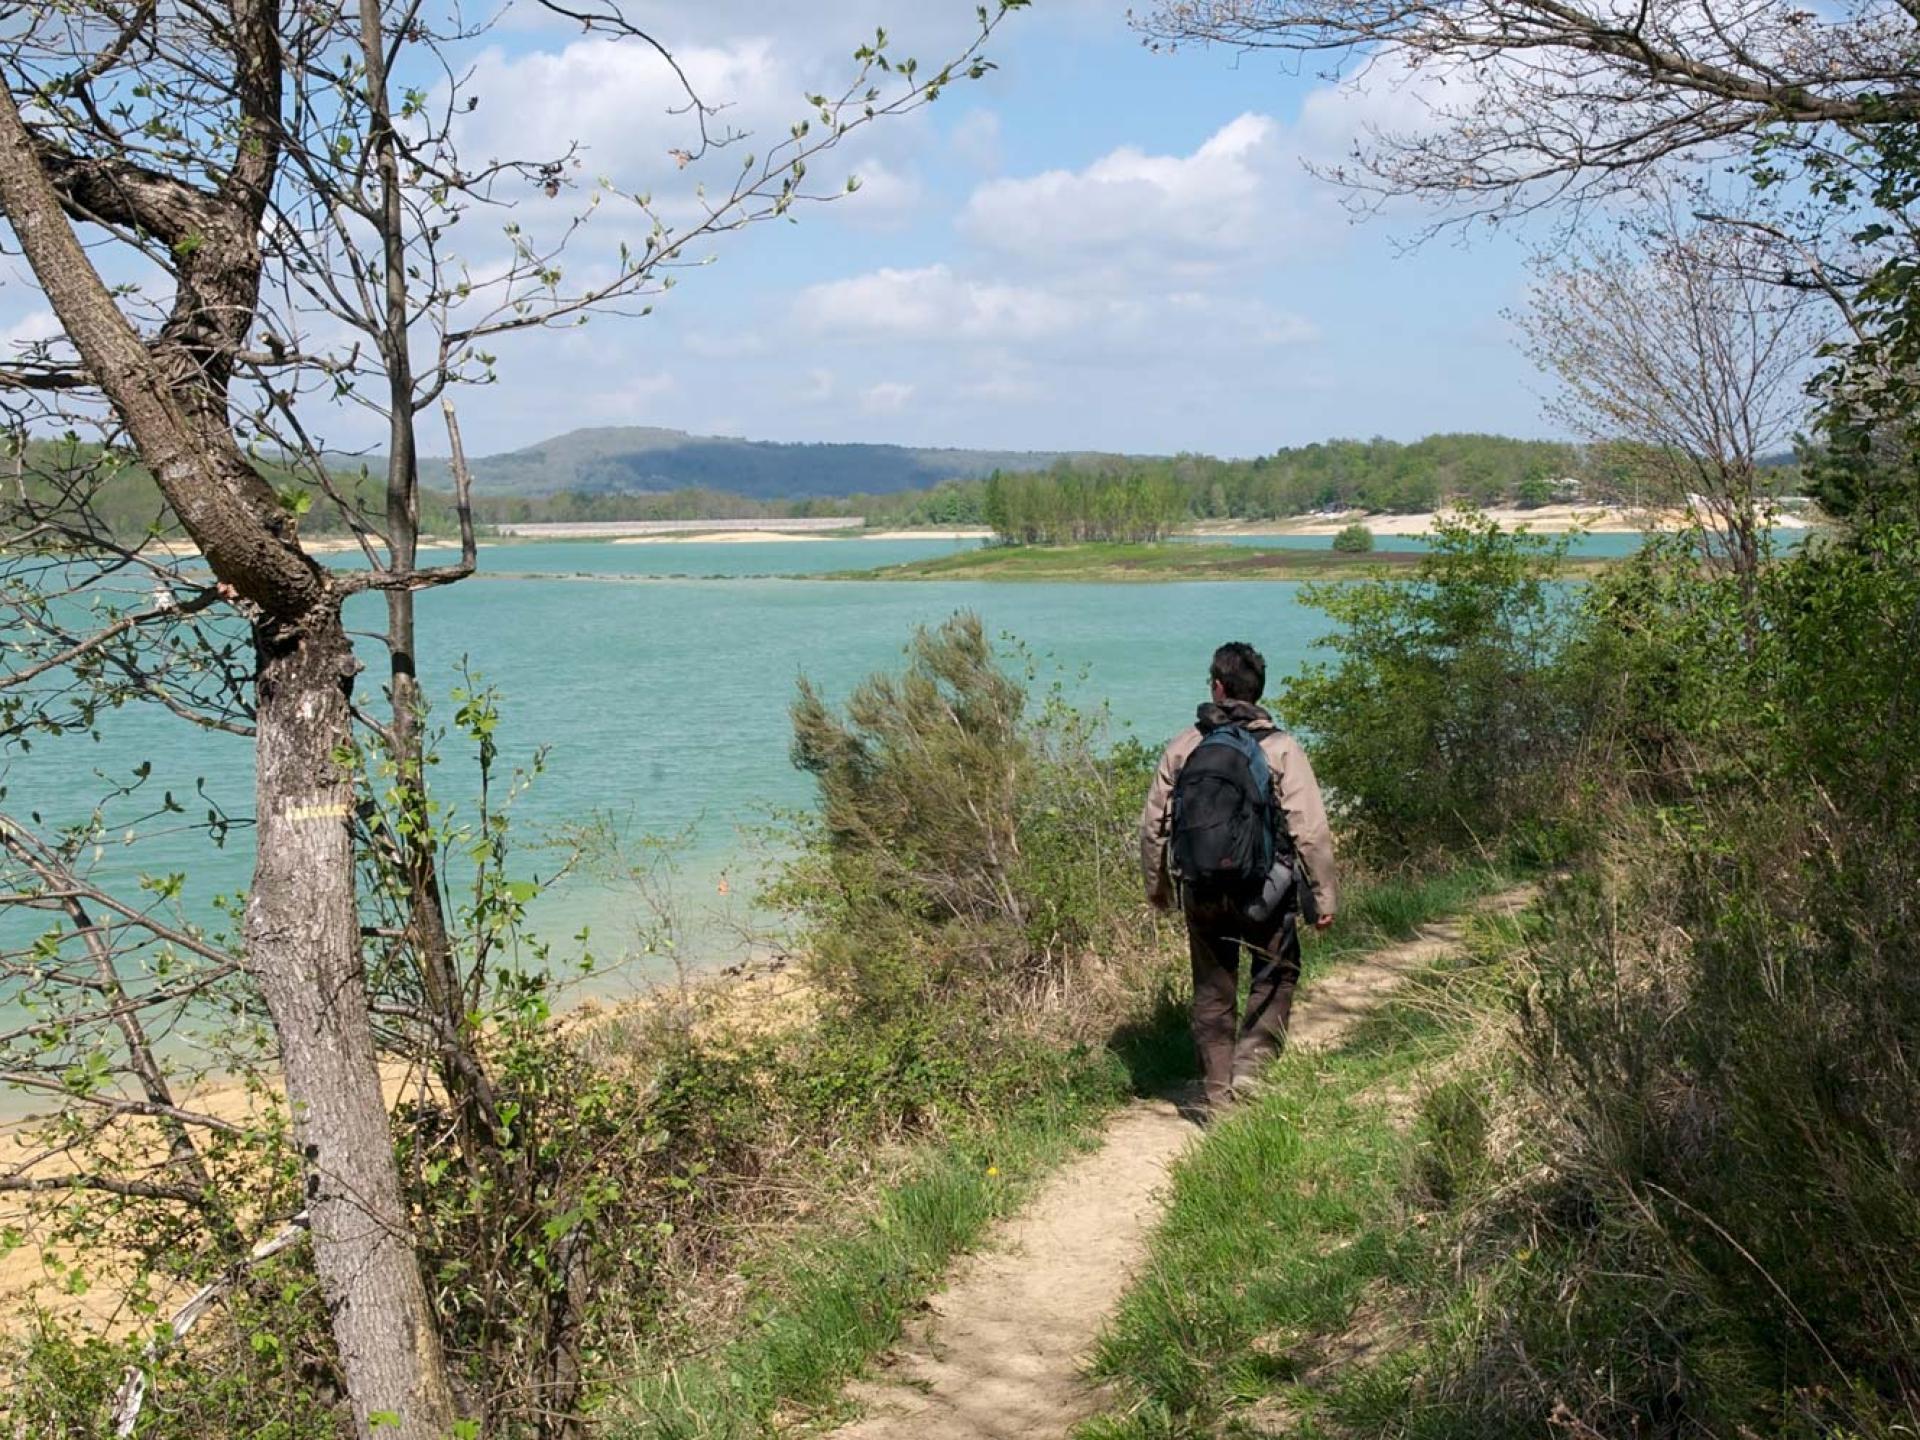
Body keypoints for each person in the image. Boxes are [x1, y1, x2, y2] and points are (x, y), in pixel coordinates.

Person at [1138, 641, 1338, 1111]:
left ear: (1217, 687)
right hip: (1265, 891)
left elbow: (1153, 826)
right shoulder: (1282, 748)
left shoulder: (1184, 746)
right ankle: (1252, 1070)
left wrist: (1158, 886)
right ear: (1258, 690)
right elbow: (1309, 829)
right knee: (1277, 974)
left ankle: (1216, 1092)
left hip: (1201, 890)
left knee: (1213, 988)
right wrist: (1323, 898)